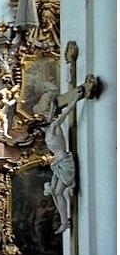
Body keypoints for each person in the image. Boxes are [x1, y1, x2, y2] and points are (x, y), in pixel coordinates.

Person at [44, 85, 85, 234]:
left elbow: (65, 113)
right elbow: (51, 114)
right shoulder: (48, 131)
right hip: (57, 163)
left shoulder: (54, 126)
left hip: (63, 161)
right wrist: (53, 105)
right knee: (54, 192)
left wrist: (76, 98)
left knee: (58, 192)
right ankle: (64, 221)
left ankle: (64, 222)